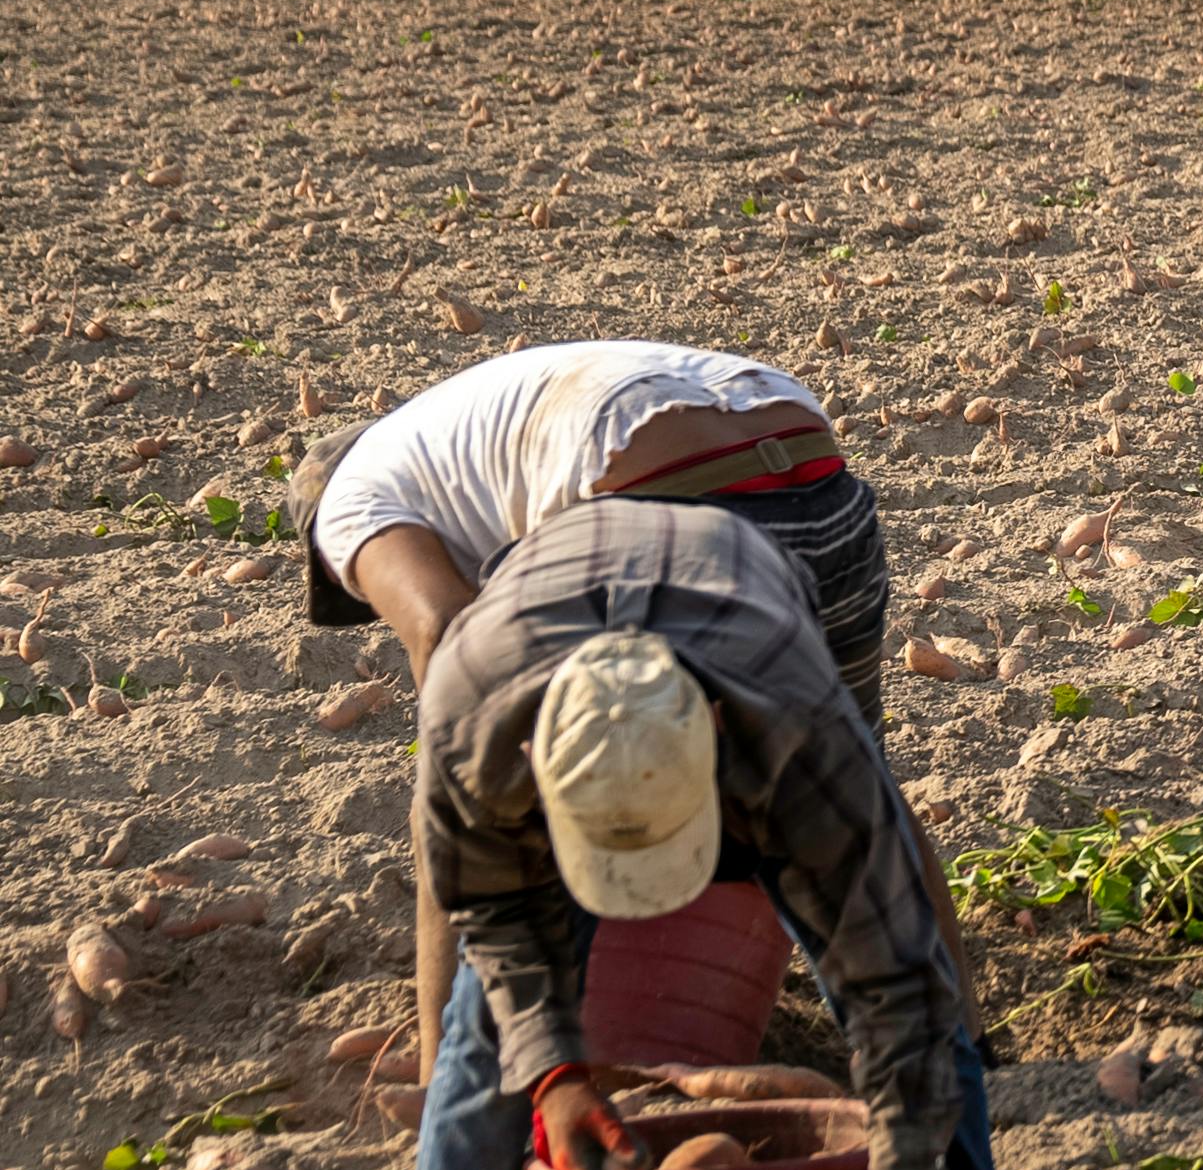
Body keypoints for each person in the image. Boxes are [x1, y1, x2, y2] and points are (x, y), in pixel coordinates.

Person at [394, 499, 1025, 1170]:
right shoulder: (472, 726)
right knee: (484, 1023)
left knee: (903, 974)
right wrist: (559, 1077)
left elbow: (897, 982)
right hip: (541, 616)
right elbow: (499, 924)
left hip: (740, 601)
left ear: (718, 746)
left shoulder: (799, 733)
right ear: (538, 772)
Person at [289, 340, 955, 1087]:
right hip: (810, 465)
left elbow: (444, 629)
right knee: (853, 780)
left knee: (482, 790)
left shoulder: (350, 501)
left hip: (656, 494)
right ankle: (956, 1054)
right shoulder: (462, 425)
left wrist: (470, 761)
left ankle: (460, 1070)